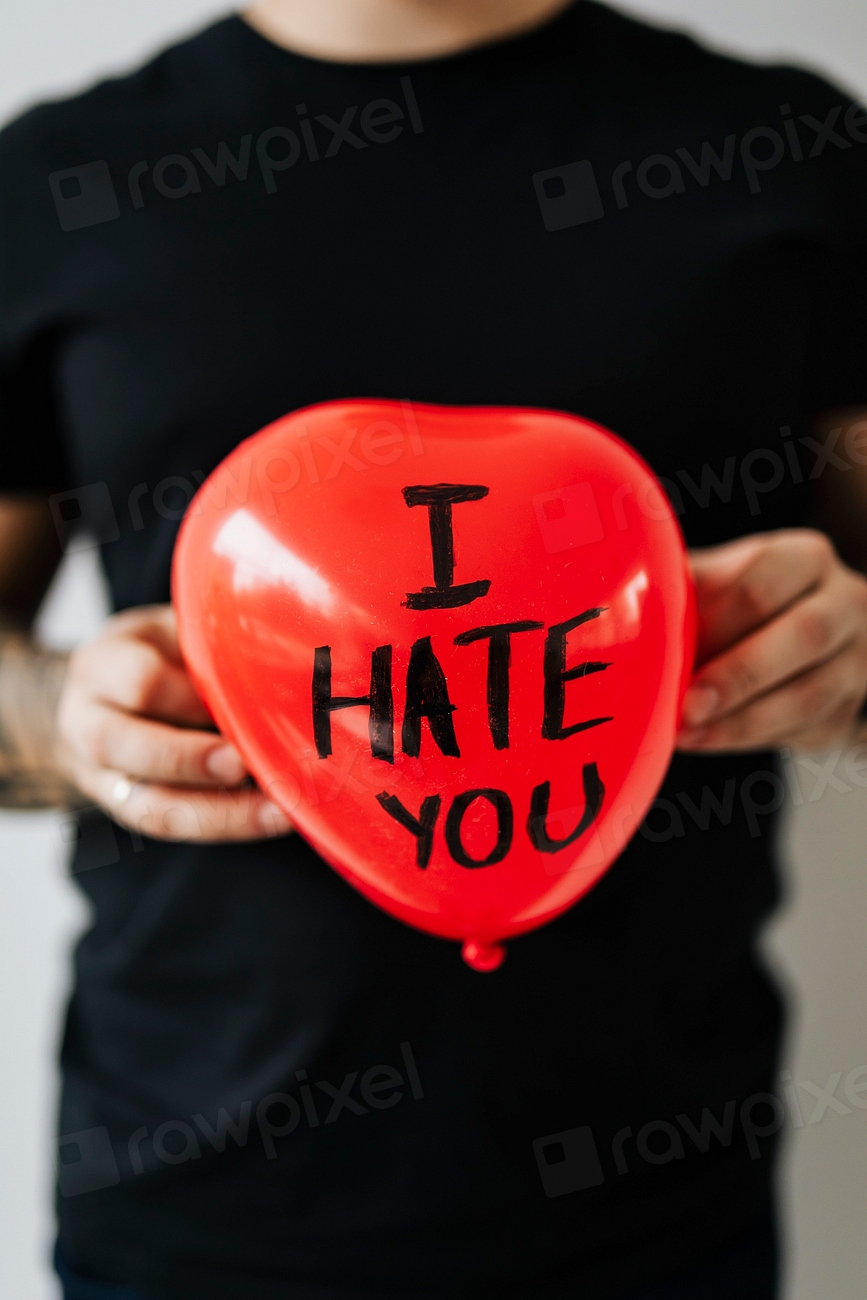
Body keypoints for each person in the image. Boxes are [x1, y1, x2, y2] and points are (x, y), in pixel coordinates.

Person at [1, 0, 867, 1295]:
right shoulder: (52, 179)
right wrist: (71, 716)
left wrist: (853, 663)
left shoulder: (783, 144)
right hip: (191, 1210)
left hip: (658, 1210)